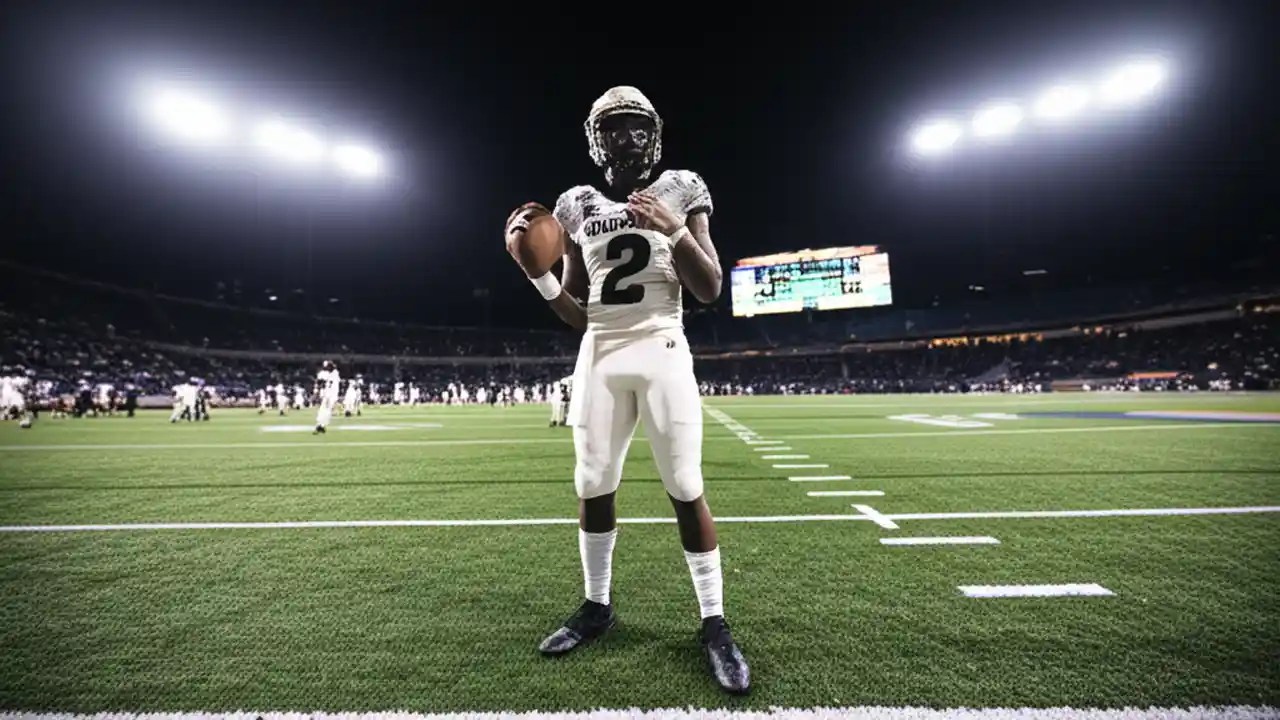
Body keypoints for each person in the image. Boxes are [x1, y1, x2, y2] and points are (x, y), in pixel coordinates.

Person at [503, 85, 748, 695]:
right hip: (601, 351)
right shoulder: (577, 203)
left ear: (655, 134)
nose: (627, 137)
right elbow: (578, 311)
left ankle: (714, 623)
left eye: (637, 126)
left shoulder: (682, 188)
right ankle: (597, 606)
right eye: (614, 127)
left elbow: (712, 286)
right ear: (595, 139)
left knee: (685, 485)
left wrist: (675, 232)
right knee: (593, 484)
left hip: (663, 344)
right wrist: (537, 277)